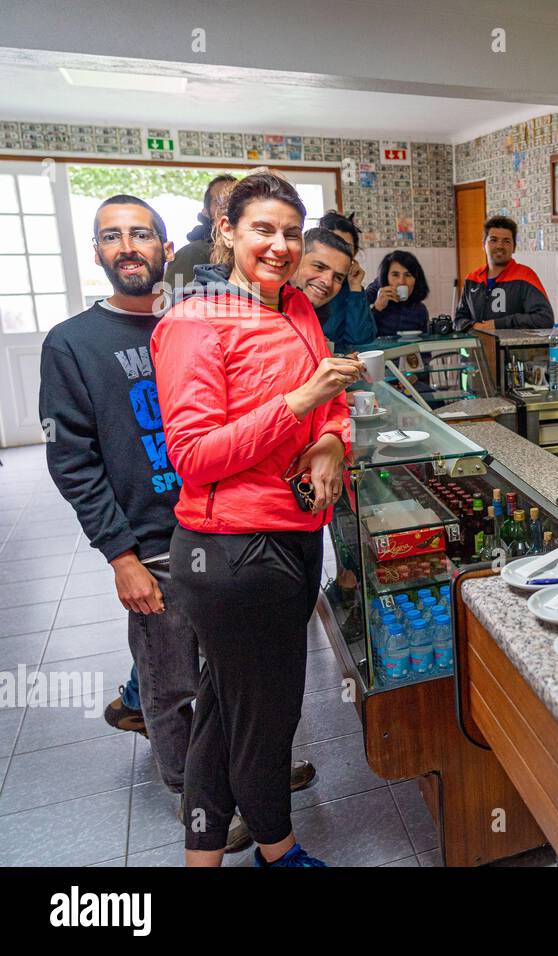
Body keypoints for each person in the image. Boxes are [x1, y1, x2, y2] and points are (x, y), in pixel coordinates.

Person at [38, 195, 266, 853]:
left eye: (142, 233)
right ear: (99, 253)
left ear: (168, 249)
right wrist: (121, 556)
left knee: (239, 675)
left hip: (230, 529)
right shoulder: (73, 344)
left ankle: (248, 776)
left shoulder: (202, 324)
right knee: (173, 688)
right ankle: (195, 802)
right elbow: (73, 463)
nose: (128, 246)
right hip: (155, 545)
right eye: (113, 236)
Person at [152, 172, 363, 867]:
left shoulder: (296, 305)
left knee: (221, 712)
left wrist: (332, 437)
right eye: (262, 230)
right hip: (234, 552)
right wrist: (303, 402)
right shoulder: (194, 319)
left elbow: (332, 401)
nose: (279, 245)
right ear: (228, 232)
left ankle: (202, 855)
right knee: (267, 723)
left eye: (290, 232)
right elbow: (194, 457)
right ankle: (281, 850)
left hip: (292, 535)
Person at [452, 215, 553, 332]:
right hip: (479, 349)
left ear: (514, 247)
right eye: (493, 240)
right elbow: (458, 320)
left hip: (512, 350)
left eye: (506, 241)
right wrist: (474, 326)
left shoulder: (525, 277)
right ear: (483, 245)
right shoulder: (472, 279)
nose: (500, 246)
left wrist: (498, 324)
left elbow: (545, 319)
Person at [162, 173, 237, 294]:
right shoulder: (192, 253)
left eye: (235, 199)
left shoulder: (248, 252)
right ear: (205, 212)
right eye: (219, 202)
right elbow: (175, 307)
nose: (229, 206)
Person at [314, 210, 375, 351]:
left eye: (345, 248)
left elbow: (361, 339)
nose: (338, 253)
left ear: (354, 253)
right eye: (331, 244)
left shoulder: (352, 288)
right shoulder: (303, 281)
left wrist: (355, 288)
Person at [367, 249, 429, 336]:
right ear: (386, 277)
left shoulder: (420, 310)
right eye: (395, 275)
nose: (401, 281)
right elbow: (359, 335)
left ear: (416, 280)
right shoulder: (370, 296)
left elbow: (424, 344)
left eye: (408, 275)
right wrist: (377, 308)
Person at [292, 227, 354, 314]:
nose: (328, 282)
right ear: (296, 260)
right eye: (319, 267)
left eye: (338, 277)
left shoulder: (324, 317)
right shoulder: (269, 306)